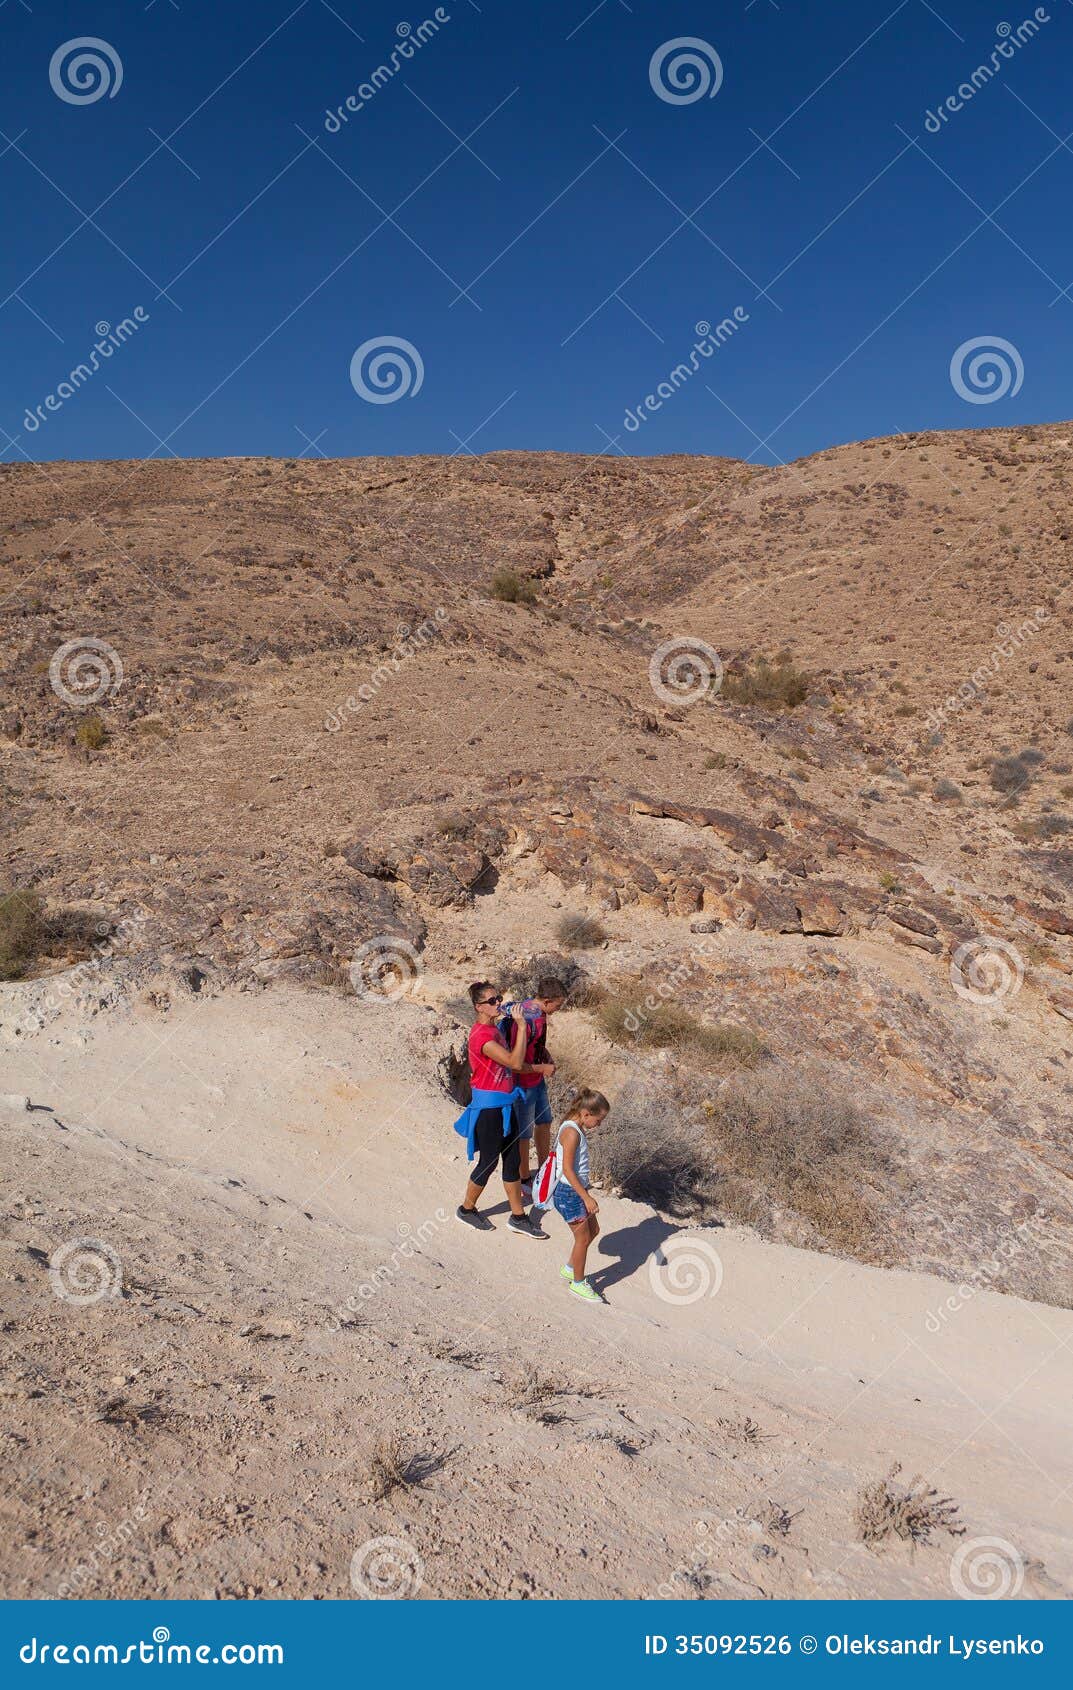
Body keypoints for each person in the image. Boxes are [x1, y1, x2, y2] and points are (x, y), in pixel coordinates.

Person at [453, 983, 546, 1239]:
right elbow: (515, 1062)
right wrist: (524, 1025)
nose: (498, 1004)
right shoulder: (482, 1036)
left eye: (499, 998)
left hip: (506, 1103)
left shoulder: (494, 1029)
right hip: (489, 1109)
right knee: (489, 1161)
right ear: (478, 1007)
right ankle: (466, 1209)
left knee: (513, 1160)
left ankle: (518, 1217)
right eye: (492, 1001)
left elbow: (514, 1064)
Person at [498, 977, 567, 1193]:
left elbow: (535, 1044)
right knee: (524, 1134)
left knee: (544, 1122)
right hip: (522, 1084)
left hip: (537, 1081)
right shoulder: (526, 1019)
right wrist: (541, 1069)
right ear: (547, 1000)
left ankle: (544, 1169)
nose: (559, 1008)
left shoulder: (540, 1014)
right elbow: (514, 1064)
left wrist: (545, 1056)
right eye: (558, 1004)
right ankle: (524, 1178)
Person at [551, 1089, 611, 1304]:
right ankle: (577, 1283)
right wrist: (586, 1197)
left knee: (593, 1230)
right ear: (586, 1114)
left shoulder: (576, 1126)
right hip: (569, 1194)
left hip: (576, 1191)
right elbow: (567, 1169)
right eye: (599, 1119)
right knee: (583, 1238)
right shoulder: (572, 1132)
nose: (600, 1124)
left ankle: (570, 1268)